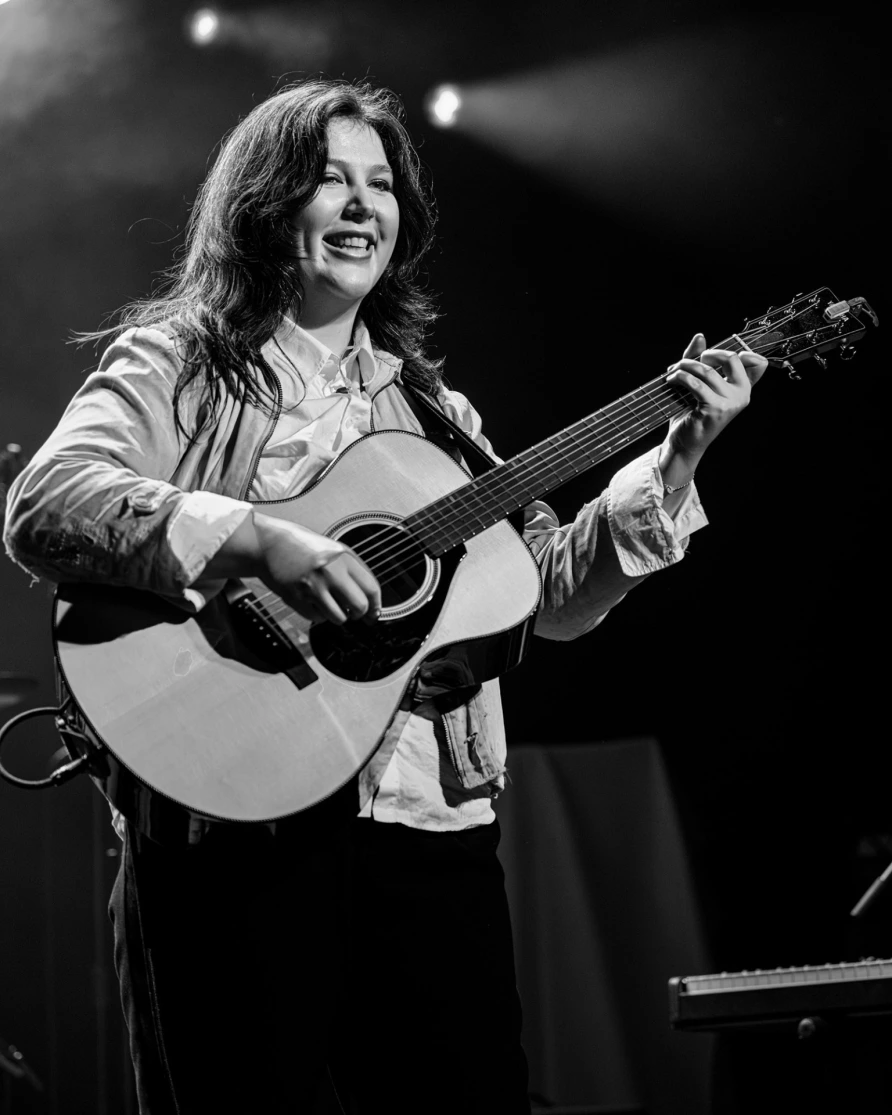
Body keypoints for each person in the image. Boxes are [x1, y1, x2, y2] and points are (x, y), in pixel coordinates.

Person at [2, 79, 765, 1114]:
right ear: (267, 202)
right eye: (330, 180)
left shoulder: (435, 411)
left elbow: (542, 593)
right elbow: (47, 501)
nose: (363, 205)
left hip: (427, 838)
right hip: (231, 835)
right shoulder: (182, 364)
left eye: (381, 184)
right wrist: (259, 541)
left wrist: (672, 467)